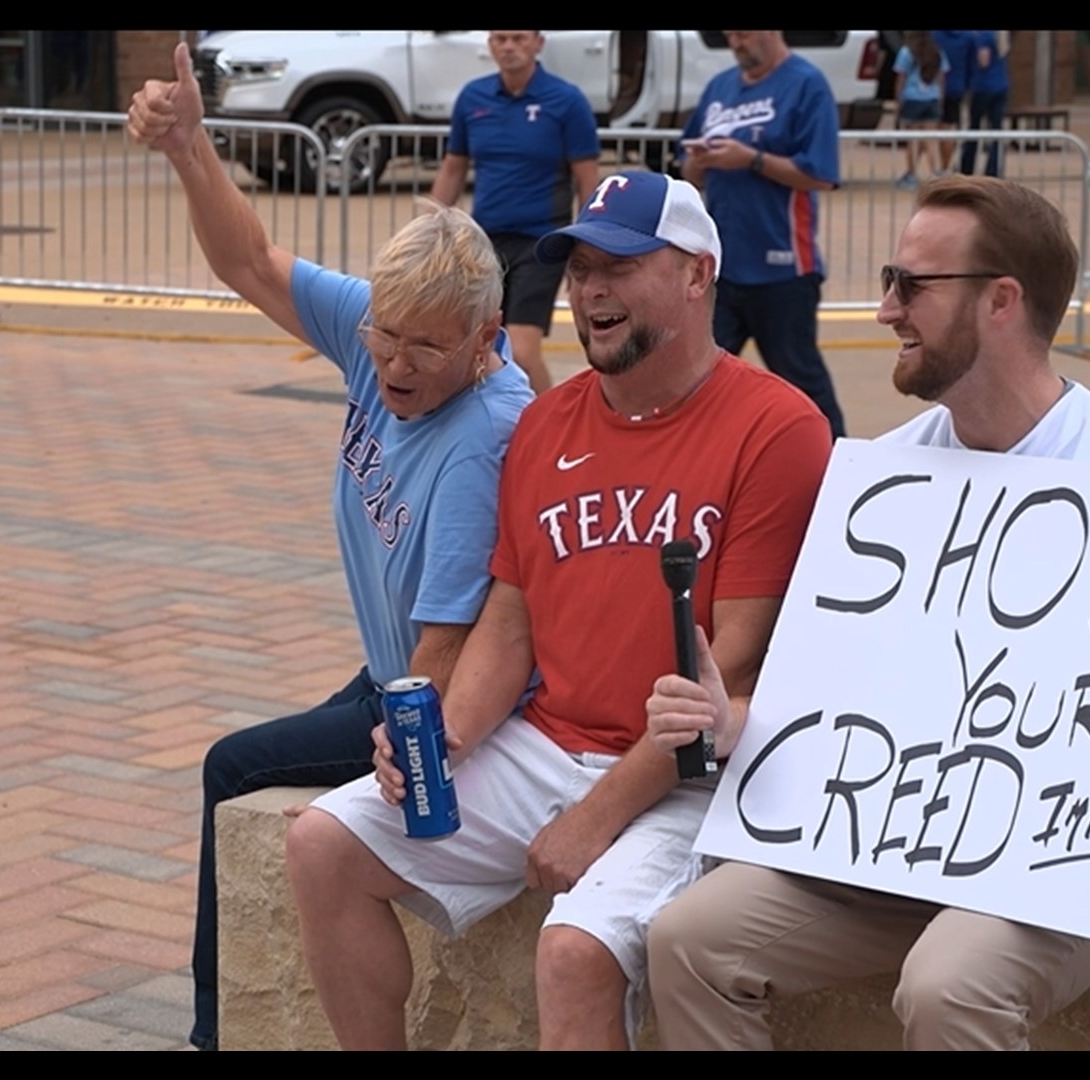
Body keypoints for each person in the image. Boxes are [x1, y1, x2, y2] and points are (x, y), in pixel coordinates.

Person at [644, 176, 1090, 1051]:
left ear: (1001, 301)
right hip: (893, 842)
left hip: (1064, 861)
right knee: (687, 939)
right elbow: (836, 681)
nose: (885, 309)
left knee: (950, 985)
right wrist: (732, 723)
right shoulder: (885, 475)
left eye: (910, 284)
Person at [283, 170, 833, 1050]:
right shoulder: (546, 423)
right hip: (544, 746)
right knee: (323, 846)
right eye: (579, 269)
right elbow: (511, 624)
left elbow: (732, 668)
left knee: (574, 951)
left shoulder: (779, 427)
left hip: (693, 775)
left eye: (619, 266)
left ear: (698, 274)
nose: (590, 290)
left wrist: (596, 815)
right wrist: (444, 742)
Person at [126, 42, 535, 1051]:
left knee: (235, 767)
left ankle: (212, 1036)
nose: (393, 363)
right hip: (390, 667)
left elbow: (446, 653)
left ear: (486, 337)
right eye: (384, 335)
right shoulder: (377, 332)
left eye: (424, 346)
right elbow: (250, 262)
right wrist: (191, 150)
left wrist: (410, 766)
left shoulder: (485, 438)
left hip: (444, 698)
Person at [681, 30, 848, 440]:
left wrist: (751, 160)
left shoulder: (806, 84)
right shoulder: (720, 88)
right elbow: (687, 167)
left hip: (783, 267)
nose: (736, 42)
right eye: (730, 35)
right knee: (692, 378)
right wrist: (698, 162)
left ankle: (839, 460)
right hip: (721, 269)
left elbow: (821, 175)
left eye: (744, 33)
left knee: (801, 381)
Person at [430, 30, 602, 396]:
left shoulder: (566, 100)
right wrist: (428, 231)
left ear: (538, 43)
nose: (509, 47)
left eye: (518, 38)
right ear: (490, 44)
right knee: (477, 348)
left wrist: (588, 247)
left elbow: (587, 179)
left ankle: (551, 421)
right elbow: (453, 168)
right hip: (485, 244)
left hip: (540, 242)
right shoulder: (472, 98)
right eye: (500, 38)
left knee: (522, 351)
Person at [893, 33, 950, 188]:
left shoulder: (906, 52)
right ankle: (934, 173)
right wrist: (940, 98)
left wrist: (898, 100)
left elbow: (901, 78)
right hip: (932, 98)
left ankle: (911, 175)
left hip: (912, 98)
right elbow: (941, 78)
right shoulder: (937, 52)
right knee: (930, 139)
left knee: (912, 140)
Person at [958, 31, 1010, 178]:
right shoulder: (998, 35)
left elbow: (983, 60)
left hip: (982, 87)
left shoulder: (982, 36)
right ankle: (994, 168)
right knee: (996, 129)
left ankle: (967, 167)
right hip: (1001, 85)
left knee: (974, 128)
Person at [929, 30, 974, 175]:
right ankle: (947, 165)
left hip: (934, 88)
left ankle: (939, 166)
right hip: (958, 87)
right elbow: (971, 64)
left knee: (933, 129)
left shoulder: (935, 35)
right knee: (950, 128)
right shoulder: (967, 37)